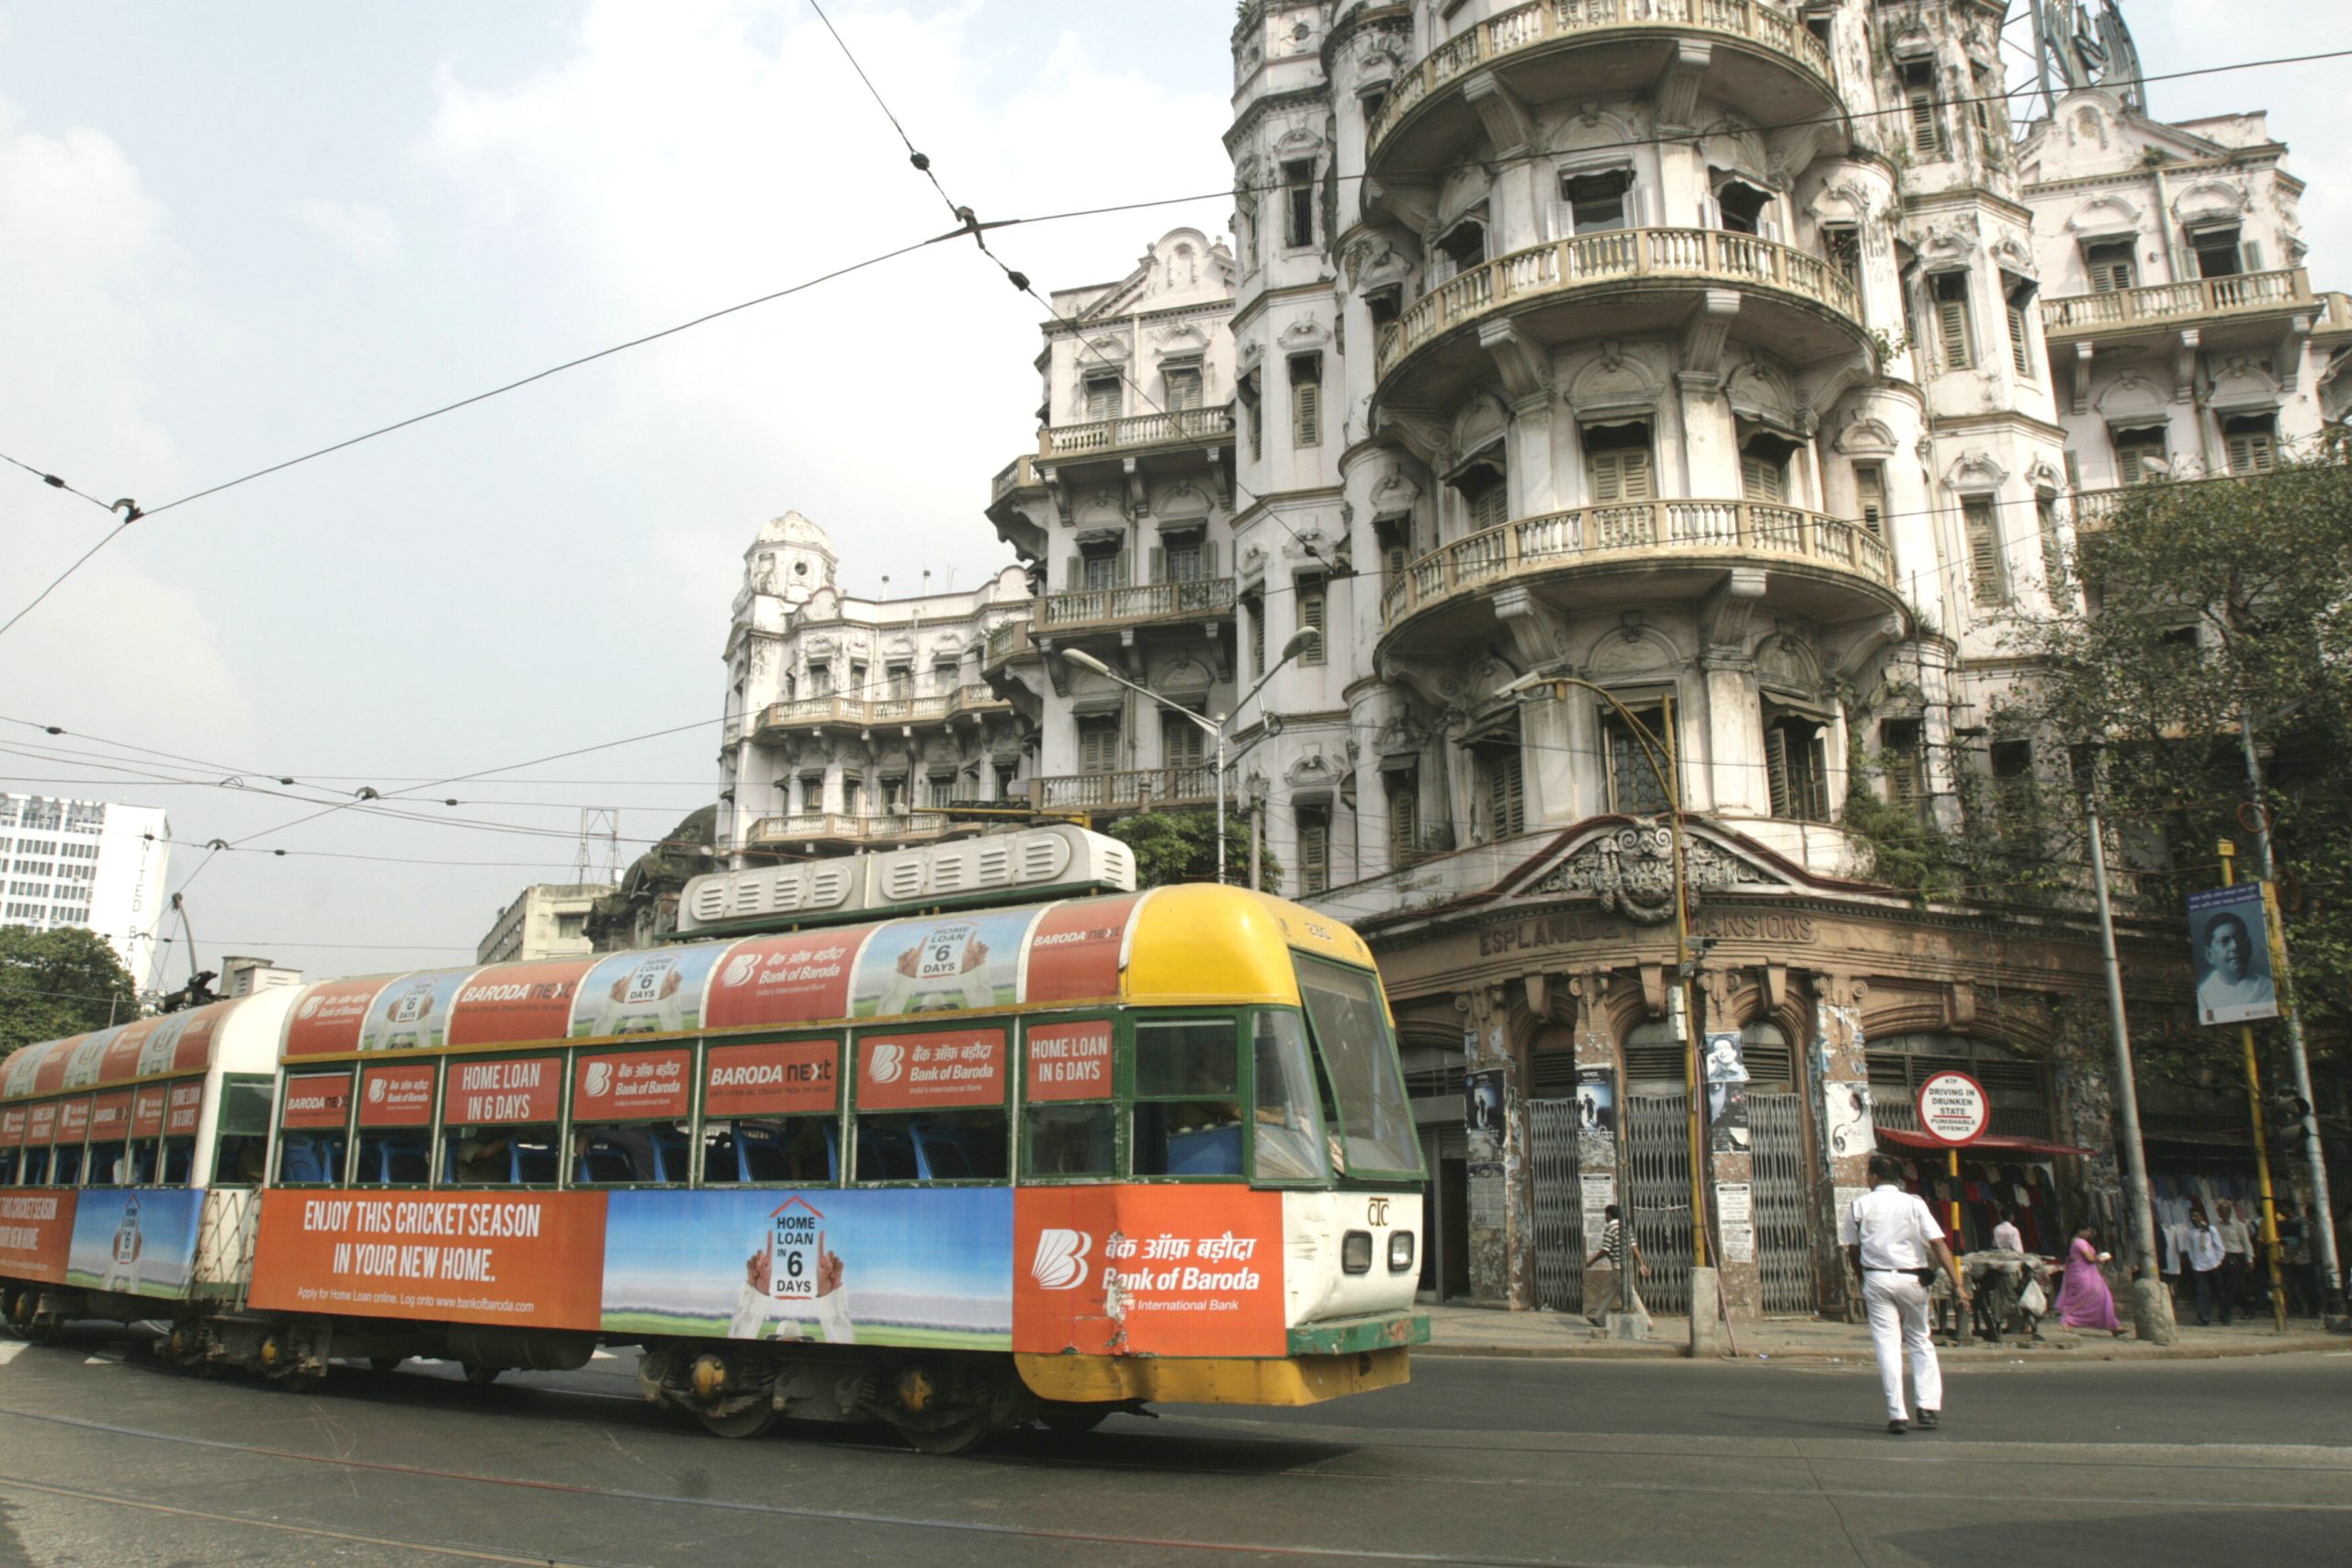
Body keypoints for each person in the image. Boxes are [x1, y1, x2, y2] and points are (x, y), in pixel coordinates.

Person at [1844, 1151, 1970, 1434]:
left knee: (1887, 1346)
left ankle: (1896, 1413)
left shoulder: (1860, 1205)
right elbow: (1938, 1243)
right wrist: (1957, 1284)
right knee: (1919, 1340)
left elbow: (1854, 1250)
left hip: (1877, 1279)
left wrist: (1863, 1277)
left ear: (1874, 1177)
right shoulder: (1914, 1204)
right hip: (1912, 1279)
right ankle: (1926, 1407)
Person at [2196, 912, 2275, 1023]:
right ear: (2210, 955)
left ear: (2249, 946)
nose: (2235, 946)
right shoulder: (2203, 998)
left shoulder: (2269, 988)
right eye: (2224, 941)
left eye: (2239, 939)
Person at [2052, 1224, 2125, 1337]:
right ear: (2080, 1230)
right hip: (2084, 1275)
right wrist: (2100, 1258)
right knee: (2096, 1297)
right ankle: (2068, 1319)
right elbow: (2090, 1259)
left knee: (2090, 1298)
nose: (2089, 1234)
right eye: (2087, 1231)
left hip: (2079, 1274)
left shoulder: (2073, 1241)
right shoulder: (2080, 1242)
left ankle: (2112, 1324)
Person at [1584, 1203, 1649, 1314]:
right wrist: (1641, 1264)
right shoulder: (1626, 1226)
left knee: (1630, 1292)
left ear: (1609, 1215)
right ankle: (1598, 1314)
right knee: (1612, 1290)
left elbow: (1605, 1249)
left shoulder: (1611, 1227)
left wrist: (1591, 1262)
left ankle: (1646, 1319)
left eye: (1606, 1215)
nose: (1605, 1218)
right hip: (1627, 1264)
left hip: (1618, 1265)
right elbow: (1634, 1247)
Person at [2184, 1204, 2228, 1325]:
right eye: (2192, 1216)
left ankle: (2225, 1316)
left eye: (2196, 1216)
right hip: (2198, 1267)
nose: (2194, 1218)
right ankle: (2204, 1317)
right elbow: (2190, 1250)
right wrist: (2194, 1263)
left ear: (2201, 1216)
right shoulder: (2190, 1233)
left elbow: (2219, 1247)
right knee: (2203, 1292)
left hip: (2213, 1264)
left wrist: (2218, 1261)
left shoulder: (2211, 1229)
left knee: (2219, 1291)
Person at [2214, 1199, 2255, 1317]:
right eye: (2221, 1210)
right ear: (2218, 1212)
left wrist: (2249, 1259)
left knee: (2232, 1285)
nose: (2224, 1212)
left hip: (2236, 1256)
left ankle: (2225, 1312)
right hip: (2221, 1257)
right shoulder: (2216, 1226)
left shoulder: (2239, 1226)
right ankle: (2248, 1309)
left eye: (2226, 1210)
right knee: (2229, 1287)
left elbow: (2246, 1242)